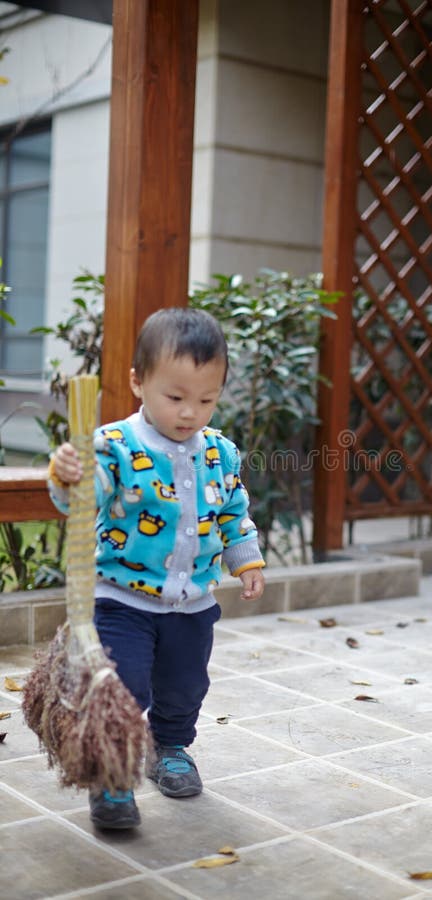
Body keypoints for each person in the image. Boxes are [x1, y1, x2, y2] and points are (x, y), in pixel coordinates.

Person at [48, 307, 265, 830]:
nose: (190, 413)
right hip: (122, 599)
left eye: (207, 400)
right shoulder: (114, 447)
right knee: (123, 689)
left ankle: (170, 748)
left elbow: (233, 513)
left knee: (184, 686)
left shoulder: (220, 452)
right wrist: (67, 475)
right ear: (138, 382)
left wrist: (245, 561)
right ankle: (112, 776)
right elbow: (79, 500)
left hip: (192, 605)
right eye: (176, 397)